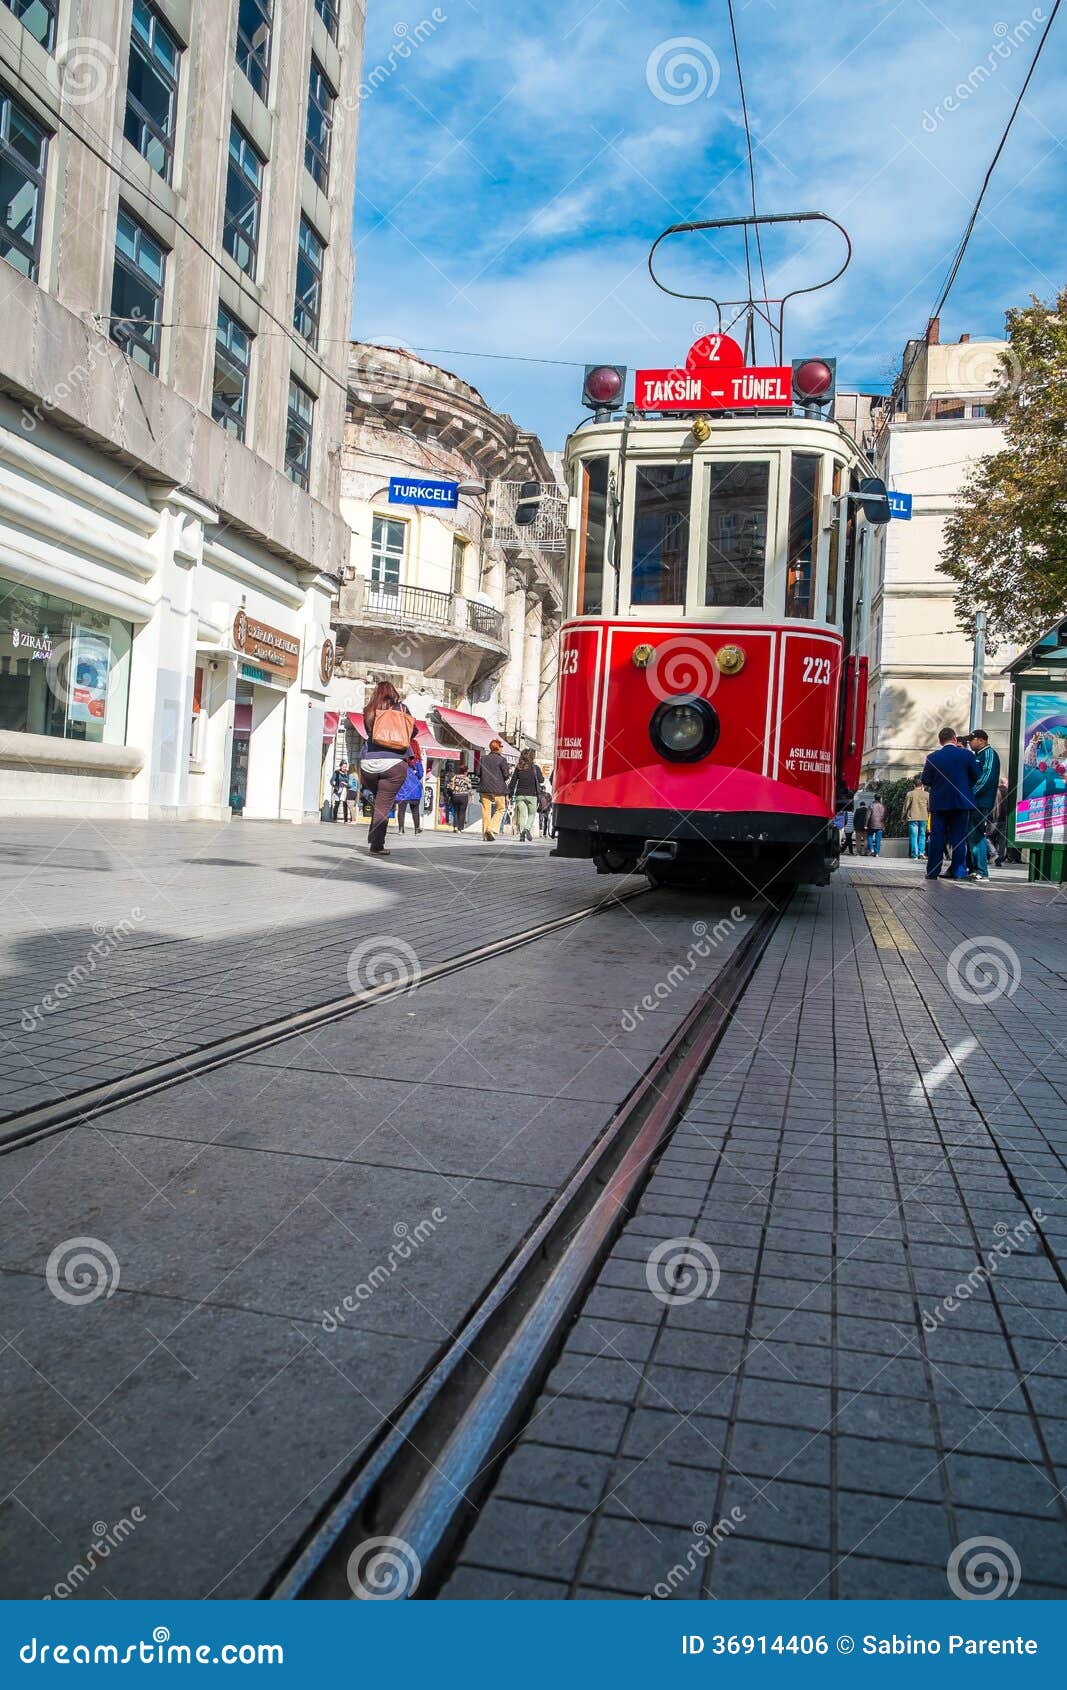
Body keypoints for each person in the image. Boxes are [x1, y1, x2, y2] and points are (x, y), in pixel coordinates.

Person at [359, 682, 416, 857]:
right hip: (393, 764)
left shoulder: (369, 710)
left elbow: (370, 732)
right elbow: (413, 732)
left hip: (368, 764)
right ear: (393, 693)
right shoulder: (402, 709)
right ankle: (376, 845)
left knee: (379, 801)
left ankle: (373, 838)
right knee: (383, 804)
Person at [921, 726, 980, 882]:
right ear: (955, 738)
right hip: (961, 803)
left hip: (939, 804)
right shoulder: (967, 755)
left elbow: (925, 780)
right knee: (959, 838)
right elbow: (976, 775)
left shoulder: (933, 758)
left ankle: (933, 871)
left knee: (937, 837)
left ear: (940, 741)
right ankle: (959, 871)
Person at [967, 729, 1001, 880]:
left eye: (971, 740)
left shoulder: (988, 754)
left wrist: (970, 794)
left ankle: (981, 870)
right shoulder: (979, 755)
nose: (969, 743)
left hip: (980, 802)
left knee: (977, 835)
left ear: (981, 740)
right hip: (976, 801)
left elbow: (985, 778)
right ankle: (976, 868)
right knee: (973, 835)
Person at [508, 749, 544, 843]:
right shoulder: (535, 768)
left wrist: (510, 794)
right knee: (531, 814)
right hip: (532, 795)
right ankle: (527, 829)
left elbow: (513, 782)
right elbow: (541, 780)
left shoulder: (519, 767)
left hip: (520, 795)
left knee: (522, 815)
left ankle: (522, 835)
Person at [478, 738, 510, 841]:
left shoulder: (483, 759)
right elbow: (506, 775)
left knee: (485, 811)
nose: (502, 749)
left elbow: (478, 773)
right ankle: (491, 829)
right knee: (501, 809)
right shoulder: (502, 760)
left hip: (484, 788)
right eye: (501, 747)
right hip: (498, 789)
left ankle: (485, 835)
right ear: (498, 748)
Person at [395, 749, 424, 835]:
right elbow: (420, 774)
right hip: (415, 789)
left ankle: (401, 829)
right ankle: (416, 829)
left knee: (401, 810)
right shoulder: (417, 761)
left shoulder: (400, 762)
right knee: (415, 809)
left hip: (403, 789)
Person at [902, 776, 929, 860]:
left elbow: (905, 807)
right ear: (922, 786)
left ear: (914, 785)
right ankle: (921, 853)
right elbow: (930, 807)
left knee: (913, 836)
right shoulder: (927, 794)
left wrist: (903, 818)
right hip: (923, 817)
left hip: (912, 817)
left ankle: (914, 854)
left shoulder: (910, 794)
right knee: (922, 835)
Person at [448, 765, 472, 832]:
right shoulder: (467, 778)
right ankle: (460, 829)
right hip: (464, 796)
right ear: (465, 771)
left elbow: (450, 786)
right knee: (462, 812)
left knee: (455, 811)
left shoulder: (454, 777)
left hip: (455, 796)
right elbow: (469, 787)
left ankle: (455, 827)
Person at [537, 772, 553, 838]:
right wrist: (551, 808)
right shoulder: (548, 794)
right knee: (546, 822)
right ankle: (544, 834)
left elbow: (537, 802)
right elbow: (551, 801)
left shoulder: (539, 795)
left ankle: (541, 833)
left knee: (541, 821)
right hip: (547, 810)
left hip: (541, 809)